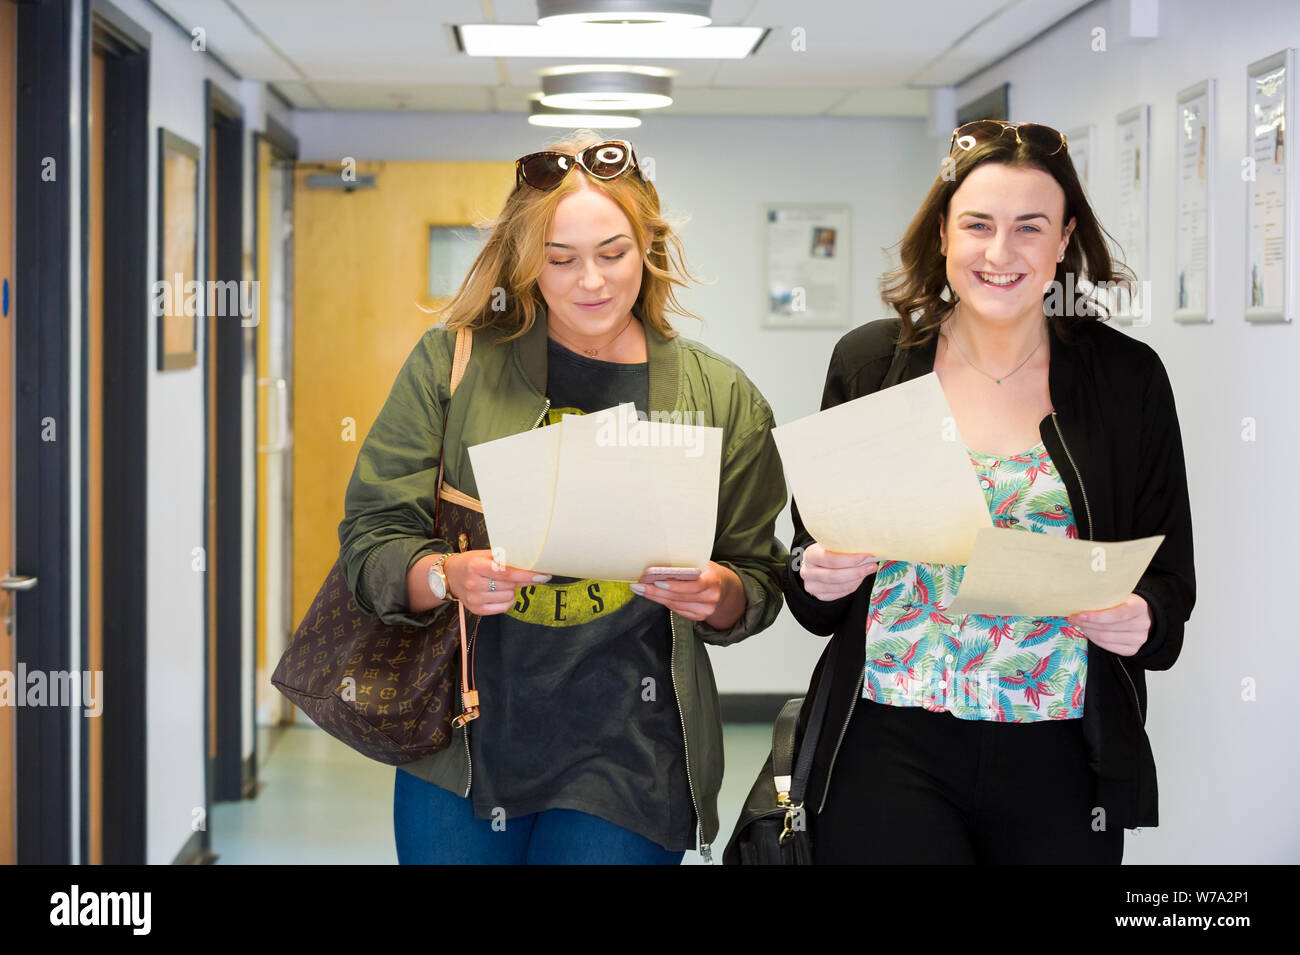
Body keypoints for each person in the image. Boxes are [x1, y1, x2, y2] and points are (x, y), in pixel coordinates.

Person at [337, 131, 788, 865]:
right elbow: (371, 536)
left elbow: (760, 576)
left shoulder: (720, 395)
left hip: (630, 753)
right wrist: (444, 575)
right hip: (464, 742)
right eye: (560, 259)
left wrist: (720, 592)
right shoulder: (452, 364)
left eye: (614, 253)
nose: (592, 282)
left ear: (648, 245)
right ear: (524, 263)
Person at [783, 120, 1195, 864]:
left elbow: (1170, 584)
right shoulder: (874, 362)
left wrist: (1146, 617)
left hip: (1064, 747)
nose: (1000, 253)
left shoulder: (1127, 379)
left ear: (1065, 239)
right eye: (977, 224)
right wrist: (813, 571)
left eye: (1029, 227)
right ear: (943, 233)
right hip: (887, 736)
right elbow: (810, 571)